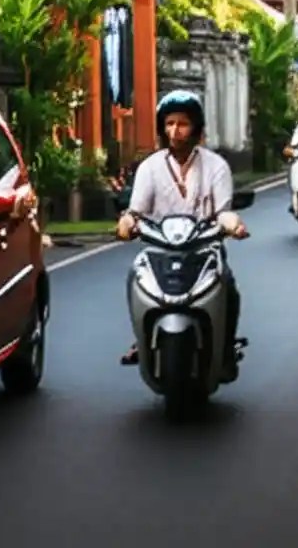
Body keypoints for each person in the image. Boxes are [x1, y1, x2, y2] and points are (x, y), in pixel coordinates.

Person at [115, 90, 249, 382]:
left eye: (183, 124)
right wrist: (126, 222)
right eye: (170, 123)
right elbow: (135, 211)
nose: (175, 131)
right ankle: (142, 336)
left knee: (230, 290)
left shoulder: (216, 166)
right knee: (133, 278)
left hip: (205, 250)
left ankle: (224, 349)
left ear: (197, 128)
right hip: (159, 252)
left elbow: (223, 210)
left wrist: (233, 224)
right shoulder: (149, 167)